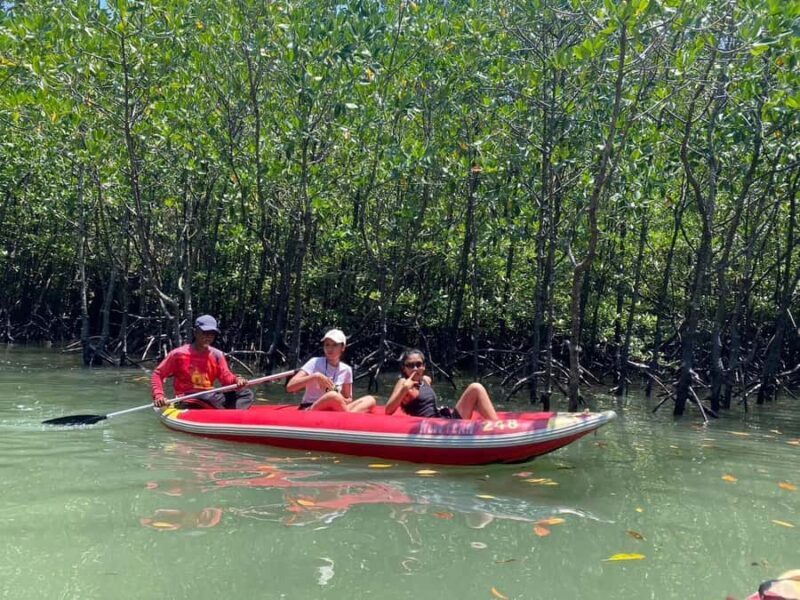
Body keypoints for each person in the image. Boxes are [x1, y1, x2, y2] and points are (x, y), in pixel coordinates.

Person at [151, 315, 253, 409]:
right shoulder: (178, 354)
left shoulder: (217, 355)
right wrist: (159, 395)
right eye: (205, 333)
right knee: (206, 396)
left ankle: (232, 417)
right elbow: (158, 374)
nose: (208, 337)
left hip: (210, 396)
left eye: (212, 334)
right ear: (195, 332)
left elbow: (226, 378)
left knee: (246, 393)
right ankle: (222, 411)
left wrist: (237, 380)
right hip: (188, 397)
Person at [385, 348, 499, 420]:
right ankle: (497, 428)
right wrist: (404, 390)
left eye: (418, 364)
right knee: (476, 387)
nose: (415, 368)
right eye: (410, 365)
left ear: (424, 366)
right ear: (404, 368)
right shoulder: (403, 383)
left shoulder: (426, 380)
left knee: (475, 388)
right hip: (429, 427)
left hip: (443, 419)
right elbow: (388, 410)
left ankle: (495, 425)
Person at [286, 329, 376, 412]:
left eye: (334, 345)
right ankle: (349, 416)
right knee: (332, 396)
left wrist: (335, 392)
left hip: (335, 407)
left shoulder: (347, 370)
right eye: (327, 345)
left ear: (342, 347)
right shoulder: (314, 362)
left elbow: (348, 399)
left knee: (370, 400)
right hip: (311, 407)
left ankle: (347, 415)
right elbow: (290, 387)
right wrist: (315, 377)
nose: (330, 349)